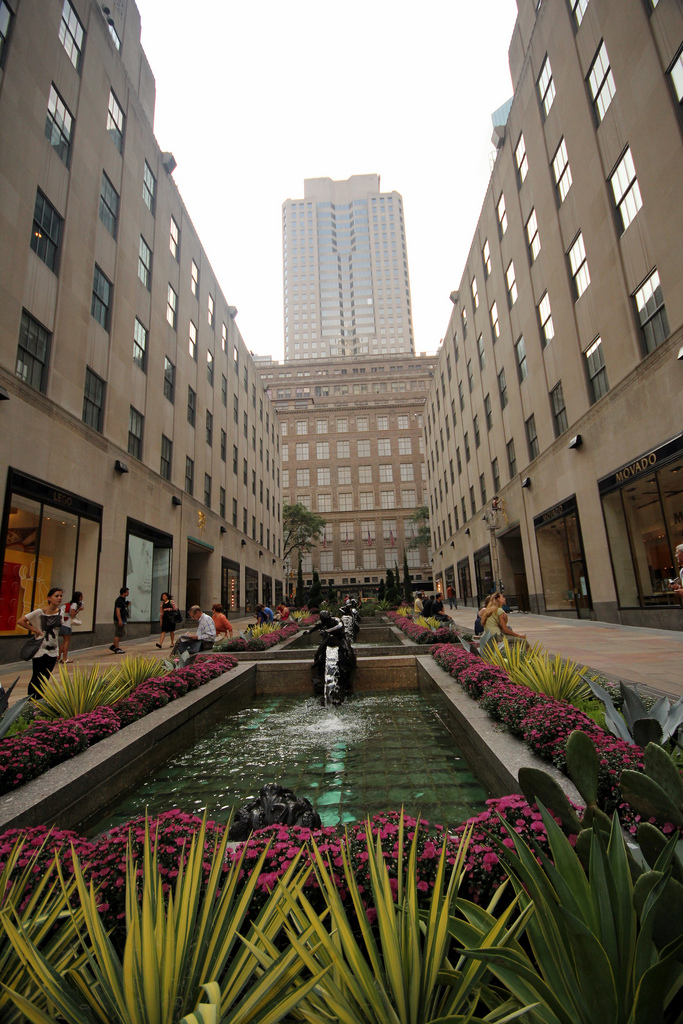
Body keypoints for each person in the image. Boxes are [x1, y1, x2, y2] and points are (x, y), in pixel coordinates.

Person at [18, 586, 63, 696]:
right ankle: (31, 699)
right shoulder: (39, 612)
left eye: (61, 596)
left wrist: (58, 651)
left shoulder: (60, 613)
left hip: (53, 648)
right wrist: (34, 629)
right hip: (40, 648)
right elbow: (21, 621)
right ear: (49, 598)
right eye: (56, 596)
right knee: (36, 676)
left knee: (46, 676)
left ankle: (40, 698)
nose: (59, 598)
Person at [58, 590, 83, 664]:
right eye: (81, 596)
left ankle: (58, 657)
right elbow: (72, 615)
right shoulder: (74, 604)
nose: (82, 597)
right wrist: (78, 610)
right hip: (67, 624)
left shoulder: (71, 603)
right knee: (66, 642)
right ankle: (64, 658)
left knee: (64, 641)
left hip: (63, 624)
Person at [110, 587, 129, 653]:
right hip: (119, 619)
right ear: (123, 592)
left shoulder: (123, 600)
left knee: (121, 633)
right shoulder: (119, 600)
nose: (128, 593)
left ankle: (114, 645)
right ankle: (117, 648)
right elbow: (117, 610)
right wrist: (119, 620)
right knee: (118, 634)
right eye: (127, 592)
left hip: (123, 619)